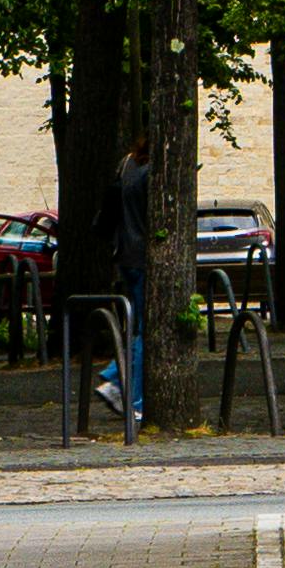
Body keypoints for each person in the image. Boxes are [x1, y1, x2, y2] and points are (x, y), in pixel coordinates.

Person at [115, 134, 149, 418]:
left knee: (137, 323)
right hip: (141, 256)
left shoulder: (126, 163)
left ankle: (114, 377)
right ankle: (132, 396)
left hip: (124, 252)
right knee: (143, 329)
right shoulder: (153, 173)